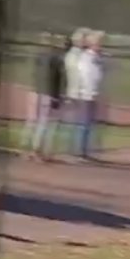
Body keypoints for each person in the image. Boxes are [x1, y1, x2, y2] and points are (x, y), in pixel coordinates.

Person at [26, 32, 68, 160]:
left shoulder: (38, 55)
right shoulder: (57, 58)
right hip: (47, 93)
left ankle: (29, 148)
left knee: (34, 120)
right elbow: (58, 79)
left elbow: (34, 74)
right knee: (44, 121)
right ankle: (37, 150)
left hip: (36, 91)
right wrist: (57, 96)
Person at [65, 28, 104, 160]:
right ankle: (79, 152)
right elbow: (86, 76)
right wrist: (90, 92)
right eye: (99, 43)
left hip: (91, 94)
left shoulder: (95, 57)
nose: (101, 46)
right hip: (86, 95)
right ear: (93, 44)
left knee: (87, 124)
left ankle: (83, 151)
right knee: (83, 124)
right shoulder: (86, 58)